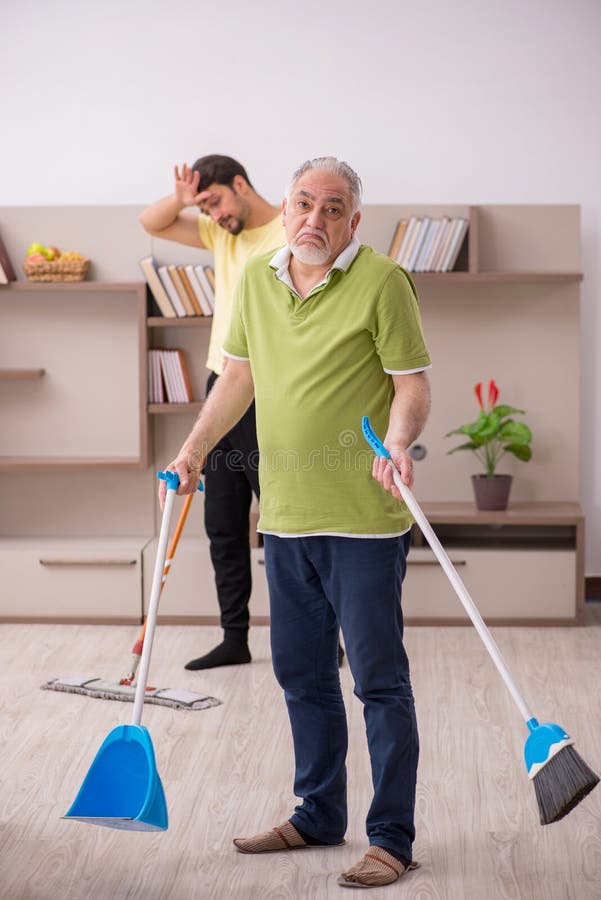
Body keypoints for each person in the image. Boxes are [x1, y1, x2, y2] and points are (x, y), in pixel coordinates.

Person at [160, 157, 431, 889]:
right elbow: (238, 376)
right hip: (281, 517)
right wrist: (191, 451)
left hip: (363, 523)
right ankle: (316, 813)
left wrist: (399, 442)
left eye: (333, 208)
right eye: (304, 203)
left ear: (353, 221)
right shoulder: (256, 280)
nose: (315, 219)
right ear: (284, 207)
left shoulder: (382, 281)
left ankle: (391, 837)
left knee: (377, 680)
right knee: (301, 675)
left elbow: (410, 385)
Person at [140, 155, 284, 670]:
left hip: (268, 392)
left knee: (283, 521)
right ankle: (234, 638)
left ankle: (319, 636)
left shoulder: (287, 231)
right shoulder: (223, 234)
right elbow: (150, 222)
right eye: (204, 206)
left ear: (241, 185)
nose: (213, 214)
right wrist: (184, 199)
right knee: (223, 522)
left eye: (216, 201)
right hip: (220, 387)